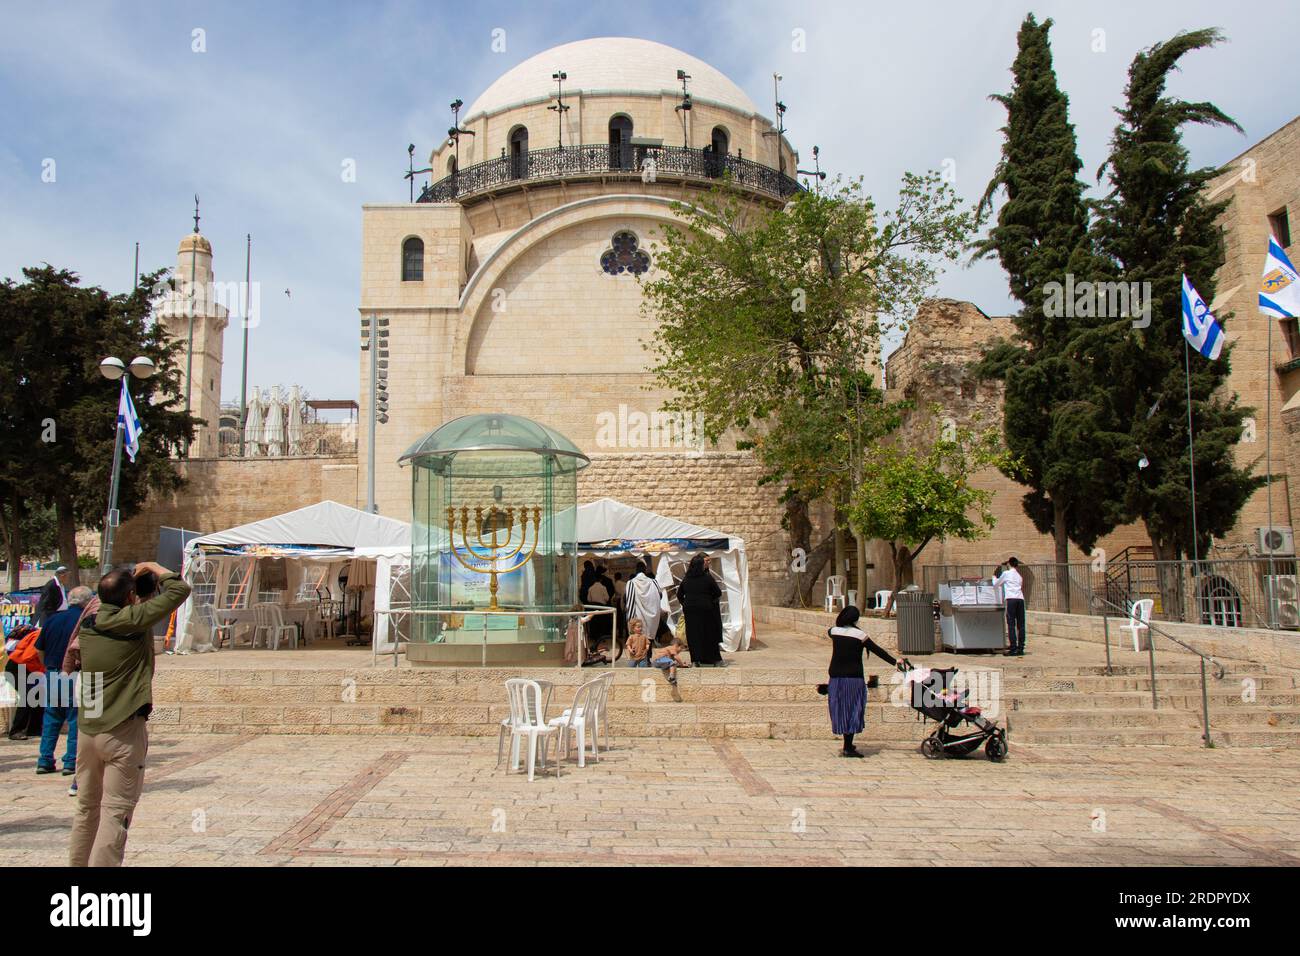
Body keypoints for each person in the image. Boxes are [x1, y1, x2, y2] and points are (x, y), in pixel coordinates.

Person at [70, 561, 190, 868]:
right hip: (122, 729)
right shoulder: (132, 621)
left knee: (86, 809)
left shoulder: (89, 624)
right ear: (129, 598)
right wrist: (153, 567)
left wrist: (129, 586)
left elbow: (107, 598)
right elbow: (180, 590)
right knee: (115, 811)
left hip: (88, 729)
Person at [824, 606, 908, 758]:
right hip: (853, 679)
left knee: (841, 710)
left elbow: (830, 631)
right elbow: (877, 650)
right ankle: (848, 747)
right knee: (853, 710)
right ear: (855, 619)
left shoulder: (834, 631)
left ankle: (847, 745)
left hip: (836, 678)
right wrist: (895, 662)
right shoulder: (860, 635)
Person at [35, 586, 91, 776]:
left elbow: (39, 648)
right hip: (75, 673)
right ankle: (70, 761)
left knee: (51, 717)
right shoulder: (85, 620)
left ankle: (44, 759)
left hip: (53, 673)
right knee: (76, 718)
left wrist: (48, 666)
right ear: (87, 602)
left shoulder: (52, 619)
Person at [677, 554, 725, 667]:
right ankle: (714, 659)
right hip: (706, 610)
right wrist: (709, 600)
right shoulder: (707, 578)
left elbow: (679, 594)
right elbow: (718, 593)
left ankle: (695, 660)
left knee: (693, 635)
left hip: (690, 611)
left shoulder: (686, 579)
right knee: (709, 634)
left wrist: (685, 604)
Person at [4, 623, 45, 739]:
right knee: (28, 696)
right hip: (17, 668)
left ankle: (34, 729)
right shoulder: (39, 635)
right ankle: (16, 731)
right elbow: (28, 657)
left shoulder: (41, 634)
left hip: (27, 669)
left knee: (39, 695)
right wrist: (41, 670)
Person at [623, 562, 663, 653]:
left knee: (638, 637)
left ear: (636, 570)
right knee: (649, 638)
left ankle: (640, 658)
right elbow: (660, 595)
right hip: (652, 614)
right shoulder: (654, 582)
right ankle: (648, 658)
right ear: (645, 570)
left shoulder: (631, 583)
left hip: (637, 614)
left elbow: (628, 599)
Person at [994, 557, 1026, 656]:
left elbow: (996, 584)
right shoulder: (1019, 576)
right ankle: (1020, 648)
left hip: (1011, 599)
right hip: (1020, 599)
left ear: (1009, 564)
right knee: (1021, 625)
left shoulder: (1006, 574)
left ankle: (1013, 648)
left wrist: (993, 577)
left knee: (1011, 624)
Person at [651, 636, 689, 701]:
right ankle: (671, 677)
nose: (680, 651)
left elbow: (673, 664)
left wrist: (681, 664)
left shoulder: (669, 653)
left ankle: (671, 677)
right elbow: (676, 657)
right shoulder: (672, 648)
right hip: (658, 660)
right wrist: (682, 664)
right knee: (672, 662)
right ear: (676, 645)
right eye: (681, 648)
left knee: (672, 663)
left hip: (659, 662)